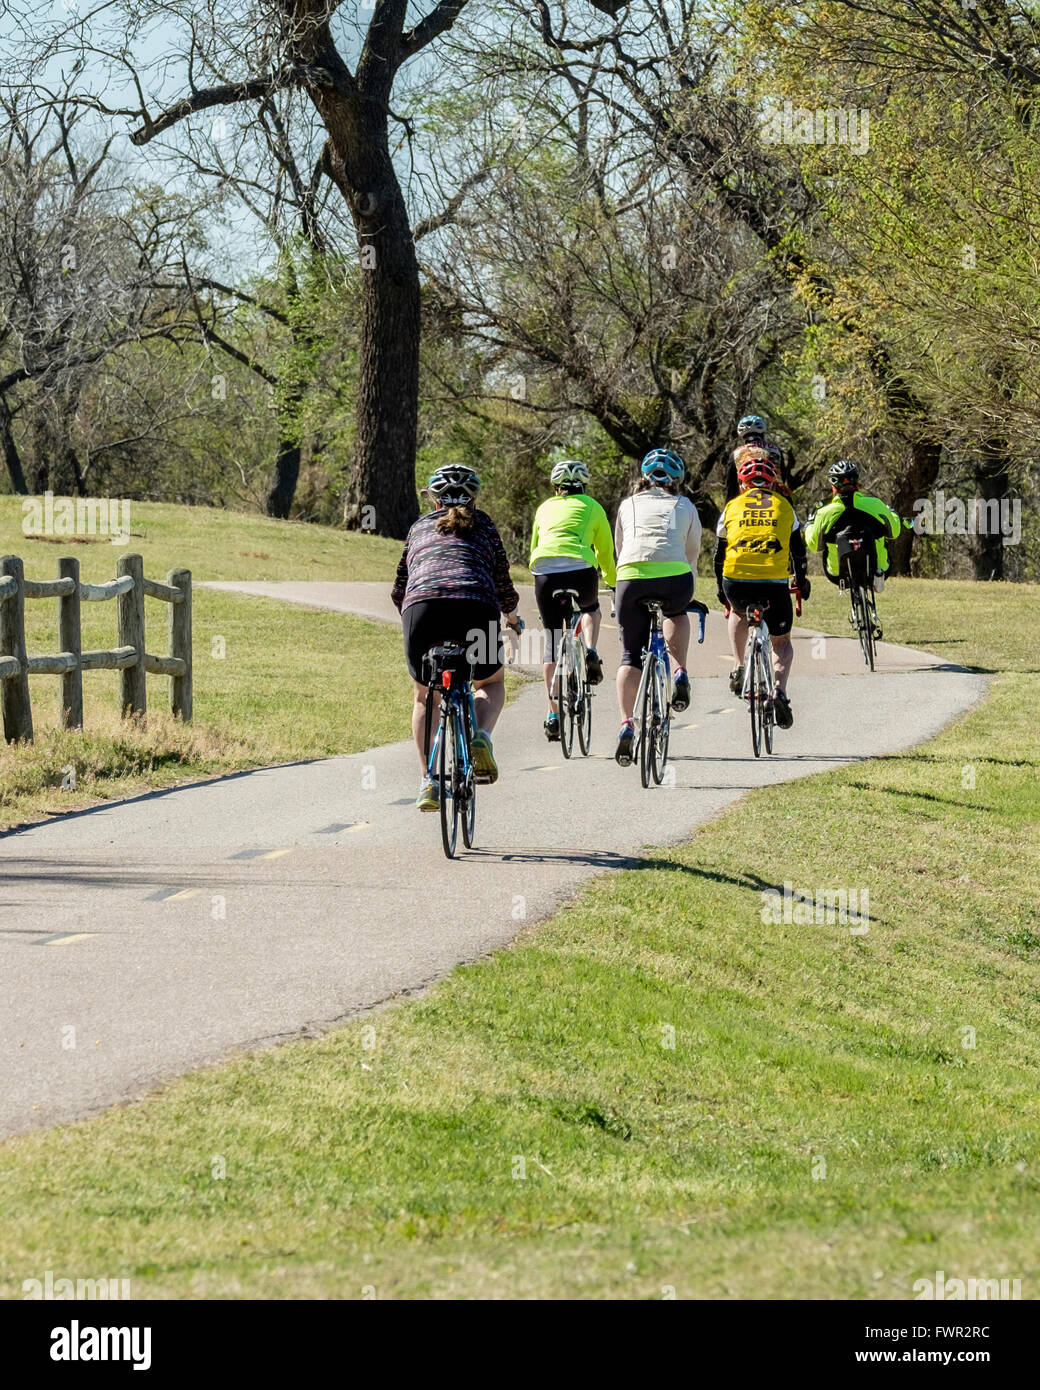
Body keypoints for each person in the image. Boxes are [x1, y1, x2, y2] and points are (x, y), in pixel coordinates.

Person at [391, 465, 522, 811]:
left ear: (433, 500)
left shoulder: (418, 527)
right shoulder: (486, 525)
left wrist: (411, 623)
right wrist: (511, 614)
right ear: (473, 498)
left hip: (422, 610)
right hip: (475, 607)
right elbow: (502, 581)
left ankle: (427, 780)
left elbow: (399, 589)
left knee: (425, 698)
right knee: (489, 683)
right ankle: (480, 736)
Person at [612, 448, 702, 766]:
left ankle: (626, 724)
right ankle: (679, 671)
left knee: (629, 656)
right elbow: (692, 552)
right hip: (674, 578)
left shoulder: (627, 504)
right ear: (677, 480)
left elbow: (620, 548)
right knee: (677, 612)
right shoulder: (686, 505)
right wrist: (687, 584)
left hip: (630, 579)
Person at [714, 451, 810, 729]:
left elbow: (719, 555)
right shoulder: (784, 506)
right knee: (782, 643)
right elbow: (799, 553)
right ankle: (779, 690)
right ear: (772, 482)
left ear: (742, 483)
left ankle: (738, 664)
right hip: (773, 583)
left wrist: (722, 591)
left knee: (738, 612)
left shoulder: (731, 507)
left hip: (736, 580)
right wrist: (801, 582)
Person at [528, 459, 617, 742]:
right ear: (583, 485)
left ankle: (553, 715)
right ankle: (590, 651)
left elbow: (535, 546)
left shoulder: (544, 507)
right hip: (580, 569)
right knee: (591, 609)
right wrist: (612, 582)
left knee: (552, 640)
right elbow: (605, 550)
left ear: (557, 487)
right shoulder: (592, 506)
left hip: (544, 572)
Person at [804, 460, 902, 594]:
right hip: (878, 566)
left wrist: (809, 525)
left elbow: (814, 545)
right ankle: (877, 576)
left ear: (833, 486)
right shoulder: (876, 504)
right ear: (857, 483)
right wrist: (893, 513)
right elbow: (894, 532)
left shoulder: (824, 513)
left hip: (837, 573)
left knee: (825, 544)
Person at [724, 414, 792, 502]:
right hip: (775, 498)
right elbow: (782, 477)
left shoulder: (736, 453)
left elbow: (730, 485)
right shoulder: (776, 450)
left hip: (746, 499)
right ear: (762, 433)